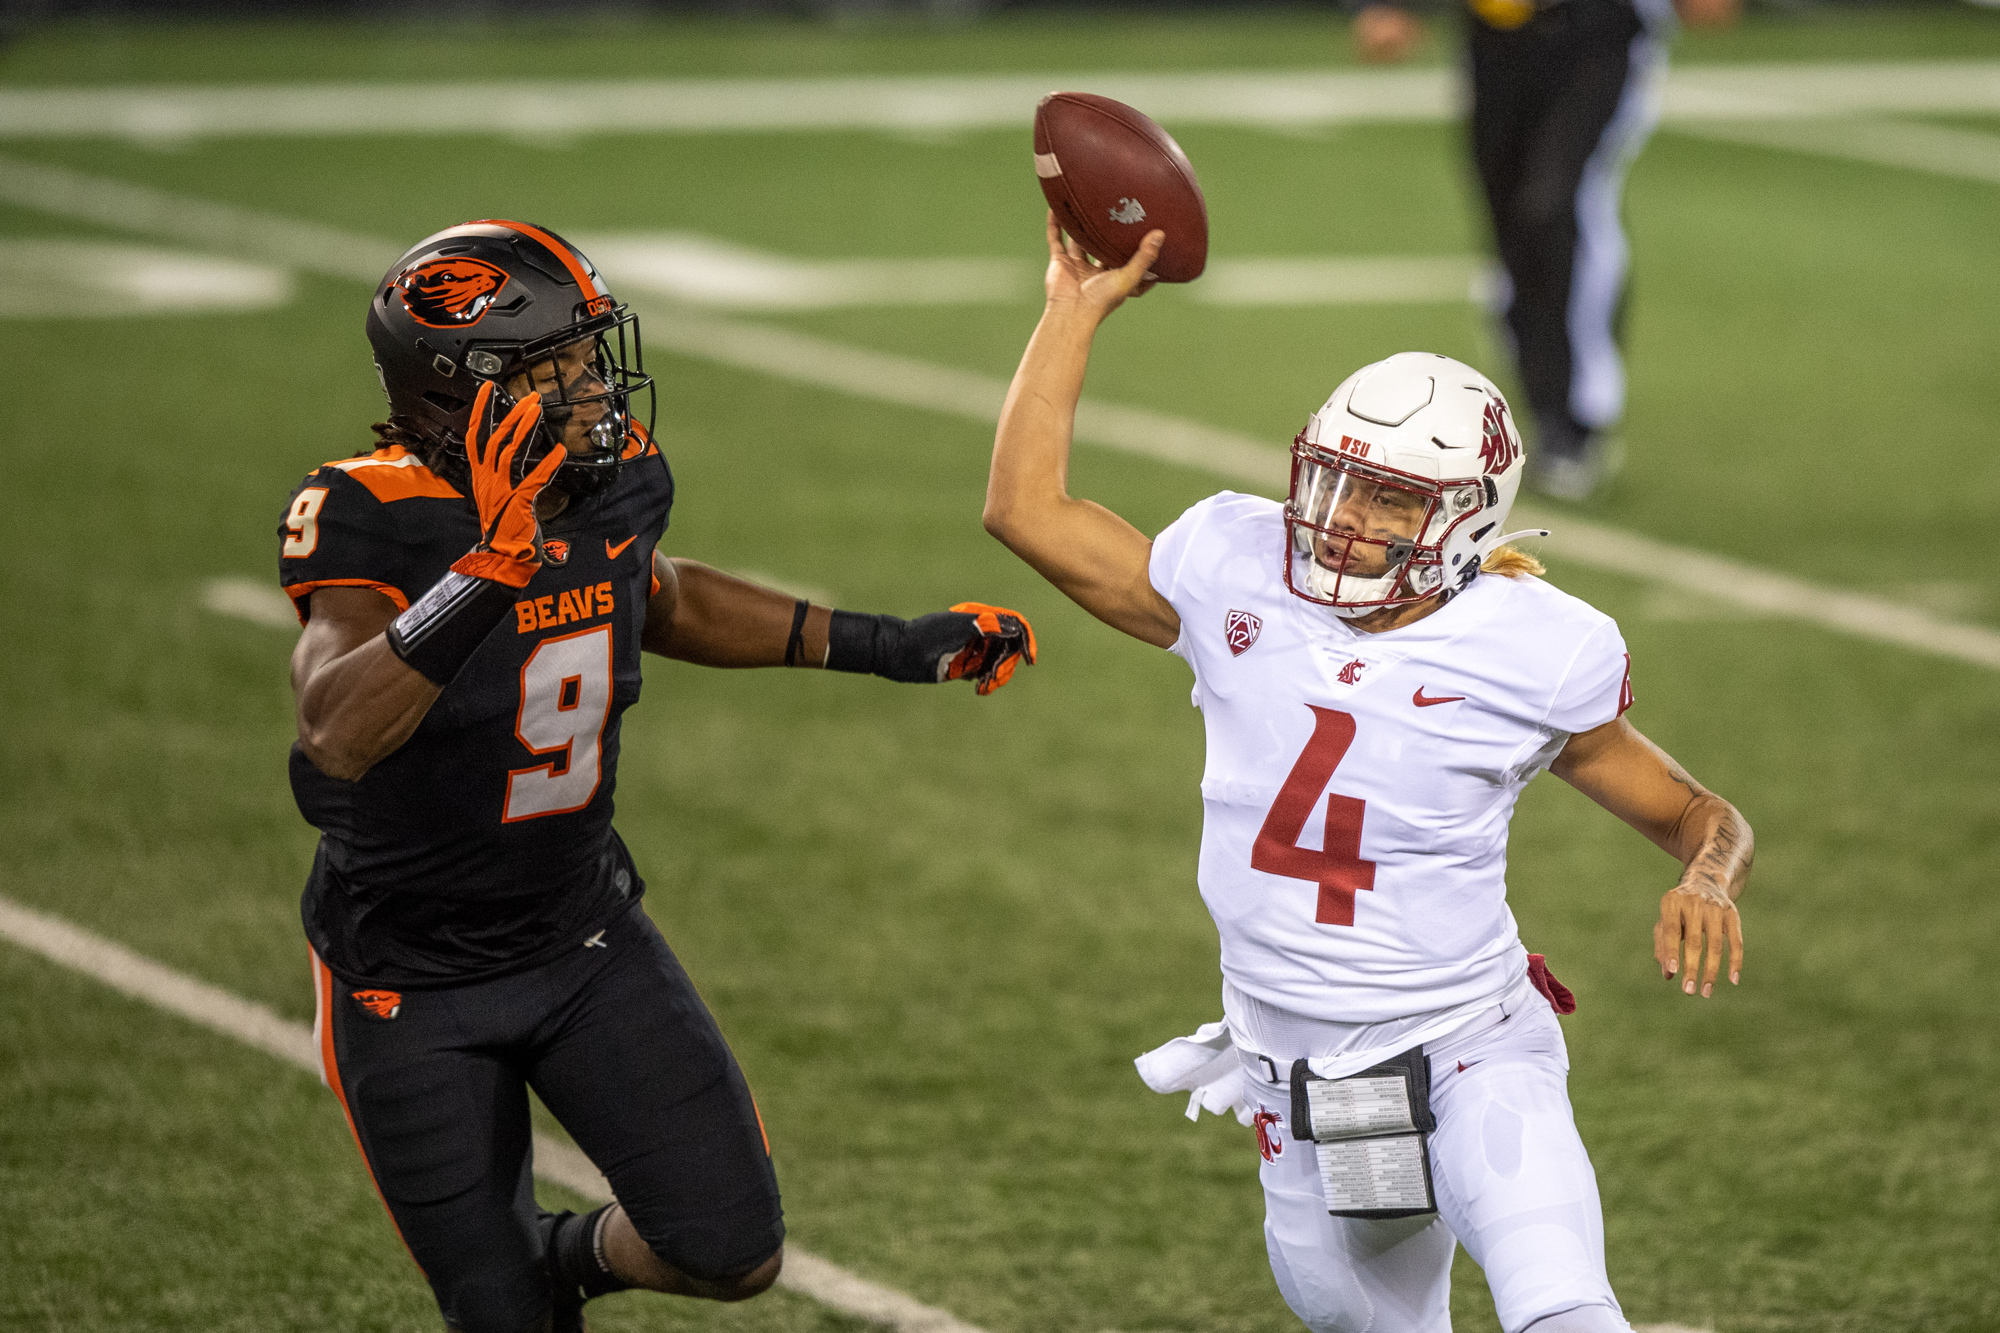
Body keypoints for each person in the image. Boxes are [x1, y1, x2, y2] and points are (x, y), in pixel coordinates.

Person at [980, 219, 1750, 1333]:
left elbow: (1693, 810)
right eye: (1333, 483)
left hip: (1466, 1045)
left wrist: (1709, 874)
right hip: (1317, 1086)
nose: (1339, 524)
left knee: (1561, 1309)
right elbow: (1024, 511)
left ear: (1462, 522)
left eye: (1385, 500)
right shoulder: (1235, 569)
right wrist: (1072, 306)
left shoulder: (1532, 645)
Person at [279, 218, 1035, 1333]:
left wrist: (881, 642)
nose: (593, 391)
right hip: (409, 976)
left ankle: (559, 1255)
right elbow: (334, 732)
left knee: (730, 1251)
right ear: (458, 394)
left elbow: (658, 592)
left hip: (581, 933)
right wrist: (491, 567)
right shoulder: (368, 508)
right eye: (555, 370)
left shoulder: (617, 479)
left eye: (591, 357)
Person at [1350, 0, 1738, 499]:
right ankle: (1537, 407)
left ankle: (1577, 418)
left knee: (1557, 207)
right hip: (1496, 36)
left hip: (1597, 33)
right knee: (1509, 224)